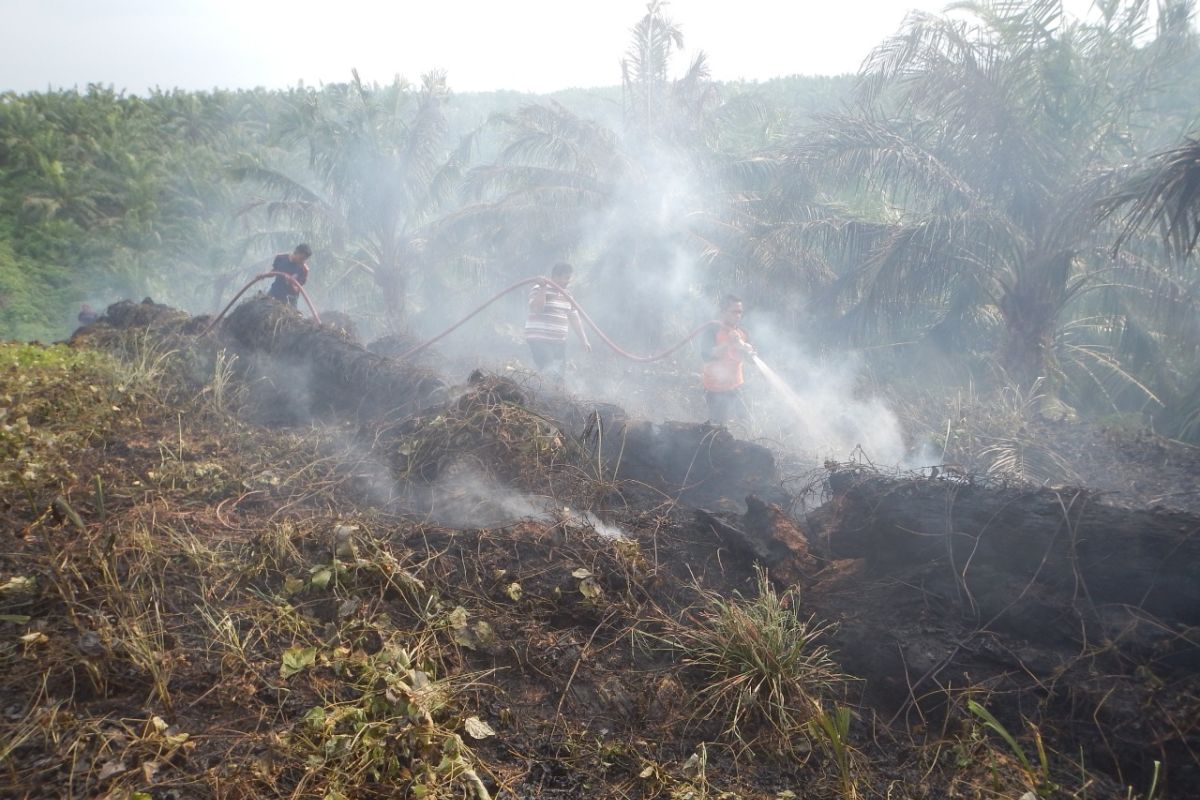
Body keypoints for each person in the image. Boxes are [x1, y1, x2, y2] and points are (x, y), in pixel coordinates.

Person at [524, 262, 591, 380]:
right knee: (549, 370)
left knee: (559, 374)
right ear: (555, 277)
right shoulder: (538, 288)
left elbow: (574, 318)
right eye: (566, 278)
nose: (568, 281)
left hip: (559, 343)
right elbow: (536, 309)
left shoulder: (568, 294)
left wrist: (583, 340)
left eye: (569, 278)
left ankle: (551, 390)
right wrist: (543, 288)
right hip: (540, 340)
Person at [701, 294, 754, 425]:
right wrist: (728, 343)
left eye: (740, 312)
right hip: (716, 390)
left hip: (736, 387)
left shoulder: (742, 333)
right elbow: (707, 355)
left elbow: (750, 359)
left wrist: (751, 354)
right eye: (734, 312)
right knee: (718, 427)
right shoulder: (712, 330)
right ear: (723, 311)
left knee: (746, 423)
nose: (738, 315)